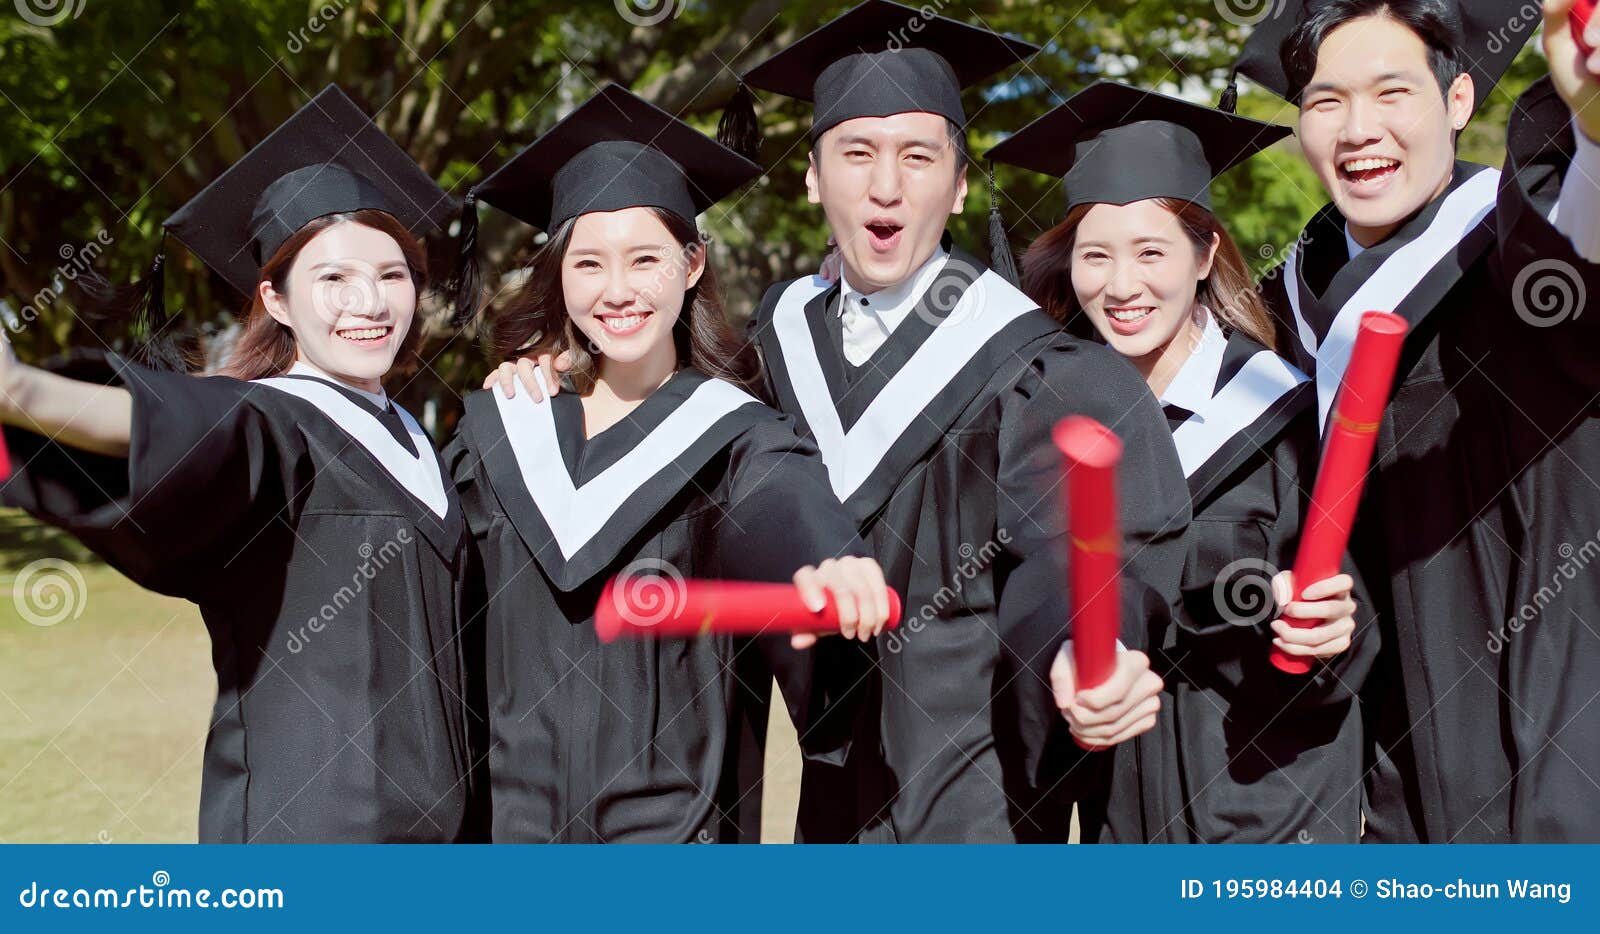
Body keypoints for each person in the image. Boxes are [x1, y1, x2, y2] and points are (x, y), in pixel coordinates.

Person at [724, 1, 1191, 843]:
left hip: (983, 810)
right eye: (855, 153)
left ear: (961, 181)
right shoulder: (774, 344)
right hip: (829, 807)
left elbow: (1077, 550)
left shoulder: (1033, 365)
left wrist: (1090, 645)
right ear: (812, 176)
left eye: (918, 156)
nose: (886, 186)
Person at [0, 85, 480, 843]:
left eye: (393, 276)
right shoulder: (271, 418)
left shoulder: (420, 443)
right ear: (277, 301)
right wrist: (21, 390)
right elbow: (191, 426)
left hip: (441, 843)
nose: (371, 301)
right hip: (316, 837)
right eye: (332, 279)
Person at [443, 84, 894, 843]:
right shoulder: (500, 434)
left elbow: (786, 501)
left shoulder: (732, 438)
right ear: (558, 275)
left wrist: (835, 559)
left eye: (644, 259)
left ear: (690, 265)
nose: (616, 290)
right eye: (587, 263)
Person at [1232, 0, 1600, 841]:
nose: (1359, 129)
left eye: (1392, 93)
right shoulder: (1288, 309)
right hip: (1386, 780)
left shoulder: (1515, 246)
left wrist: (1594, 129)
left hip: (1546, 734)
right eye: (1327, 103)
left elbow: (1583, 267)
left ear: (1460, 102)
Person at [991, 80, 1379, 842]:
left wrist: (1335, 629)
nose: (1122, 286)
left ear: (1204, 254)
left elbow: (1361, 619)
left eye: (1151, 252)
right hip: (1118, 810)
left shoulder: (1286, 413)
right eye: (1095, 255)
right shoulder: (1041, 415)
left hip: (1270, 803)